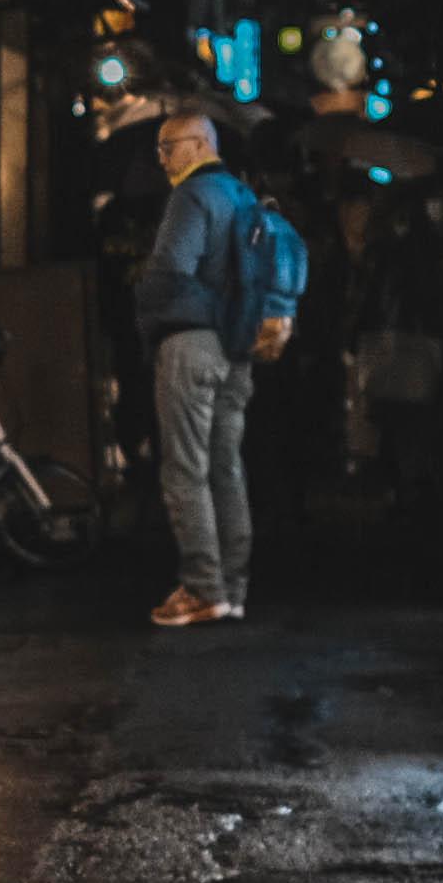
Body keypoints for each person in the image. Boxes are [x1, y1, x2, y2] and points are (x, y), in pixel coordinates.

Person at [130, 106, 304, 628]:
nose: (163, 159)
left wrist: (144, 303)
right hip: (238, 349)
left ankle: (203, 588)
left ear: (201, 145)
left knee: (185, 468)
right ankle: (233, 587)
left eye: (170, 146)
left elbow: (170, 273)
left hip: (191, 344)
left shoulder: (192, 196)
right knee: (226, 466)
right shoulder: (243, 196)